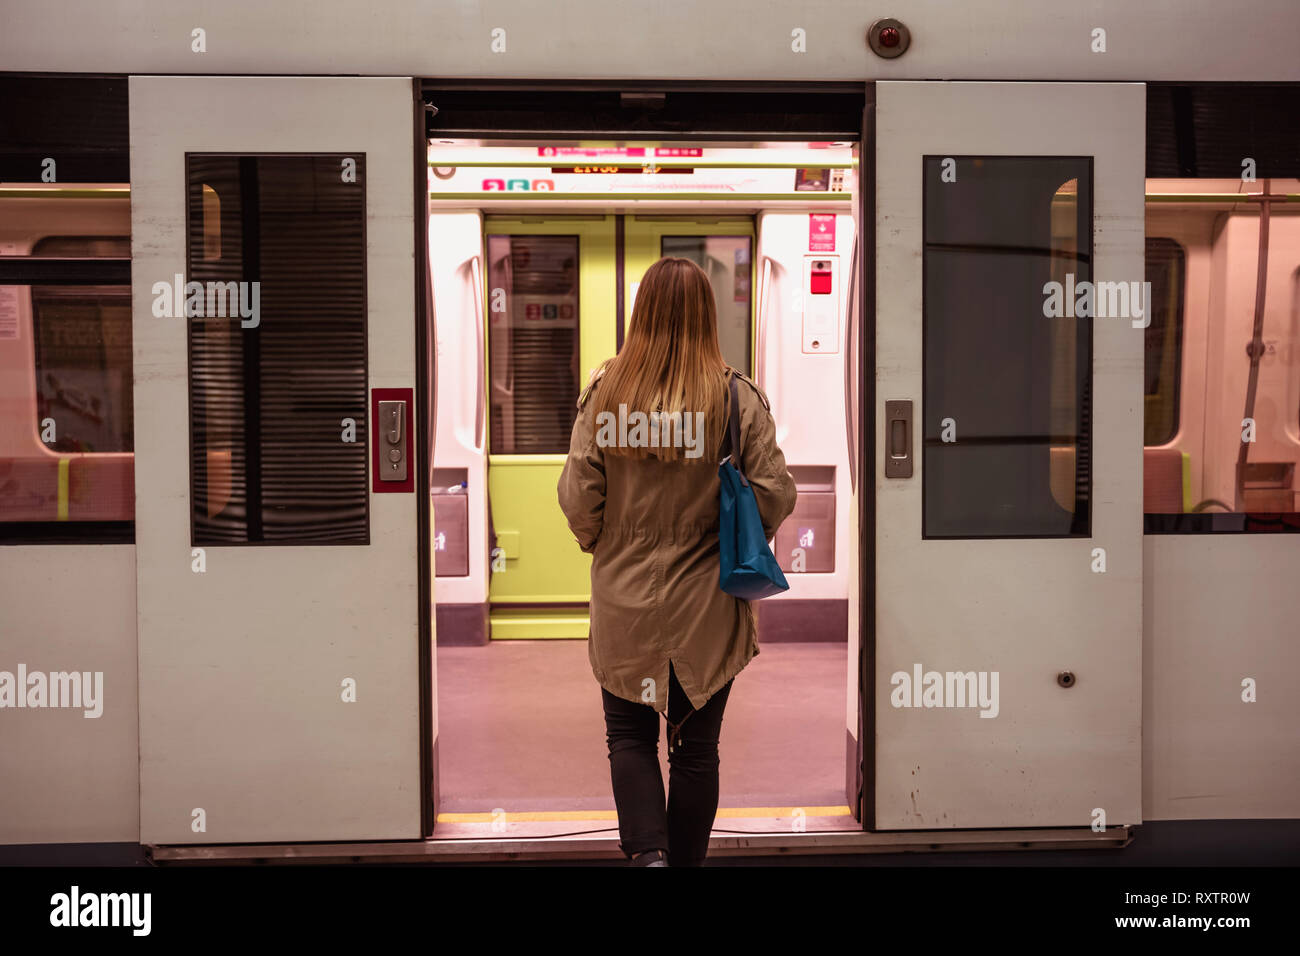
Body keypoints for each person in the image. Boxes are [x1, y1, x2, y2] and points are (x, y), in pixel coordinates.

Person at [557, 256, 797, 867]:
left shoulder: (606, 393)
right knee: (696, 749)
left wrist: (604, 545)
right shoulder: (734, 396)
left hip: (625, 600)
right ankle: (684, 862)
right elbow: (773, 492)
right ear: (706, 316)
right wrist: (731, 536)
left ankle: (648, 858)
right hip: (707, 606)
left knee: (629, 738)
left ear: (641, 315)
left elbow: (578, 494)